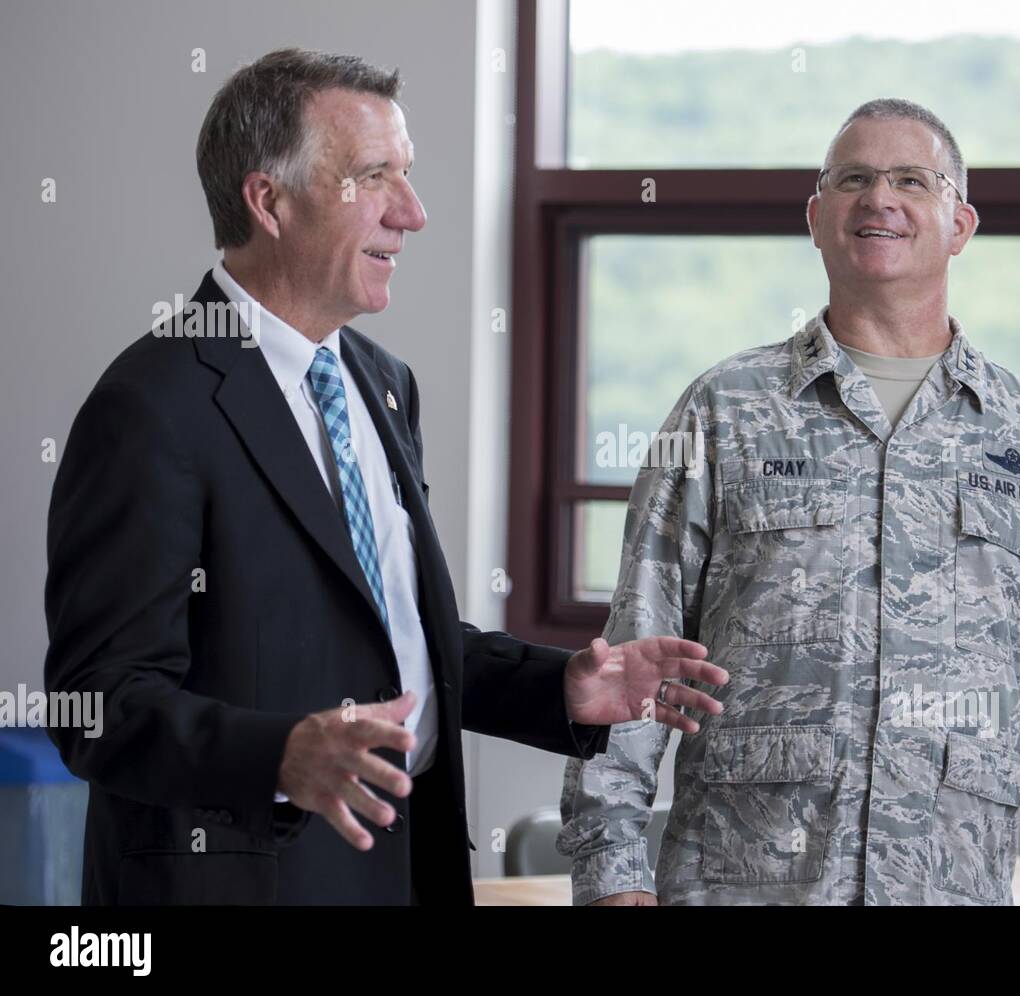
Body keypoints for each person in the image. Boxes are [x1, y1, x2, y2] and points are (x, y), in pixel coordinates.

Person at [43, 48, 725, 906]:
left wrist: (557, 687)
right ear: (270, 202)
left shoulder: (381, 382)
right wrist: (284, 754)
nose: (414, 212)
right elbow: (96, 703)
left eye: (407, 175)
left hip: (404, 872)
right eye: (374, 177)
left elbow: (394, 637)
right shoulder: (151, 404)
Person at [558, 98, 1020, 906]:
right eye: (854, 179)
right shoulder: (722, 411)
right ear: (816, 216)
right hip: (744, 887)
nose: (880, 199)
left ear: (960, 224)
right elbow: (635, 653)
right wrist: (611, 869)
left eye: (913, 179)